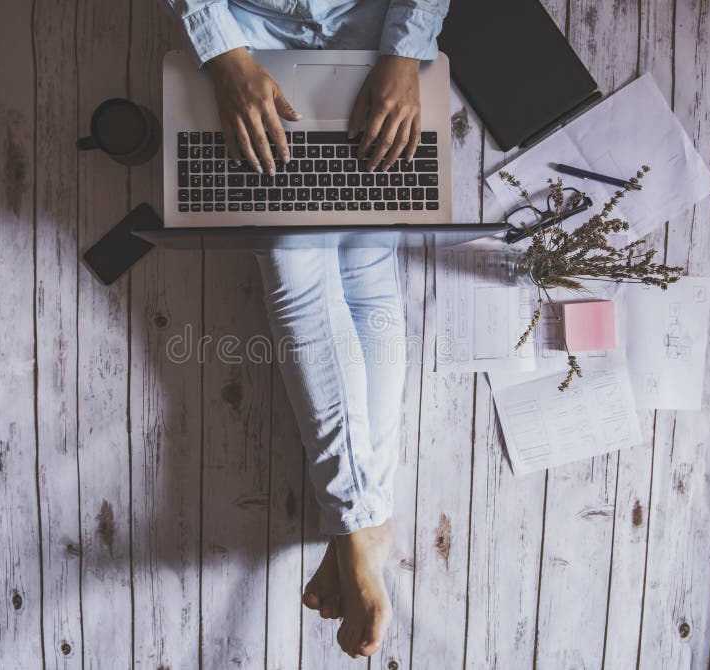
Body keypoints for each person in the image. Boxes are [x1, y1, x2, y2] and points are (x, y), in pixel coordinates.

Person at [165, 0, 450, 658]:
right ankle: (361, 523)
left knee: (370, 258)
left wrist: (405, 56)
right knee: (296, 259)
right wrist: (224, 57)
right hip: (252, 43)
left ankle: (358, 525)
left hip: (373, 41)